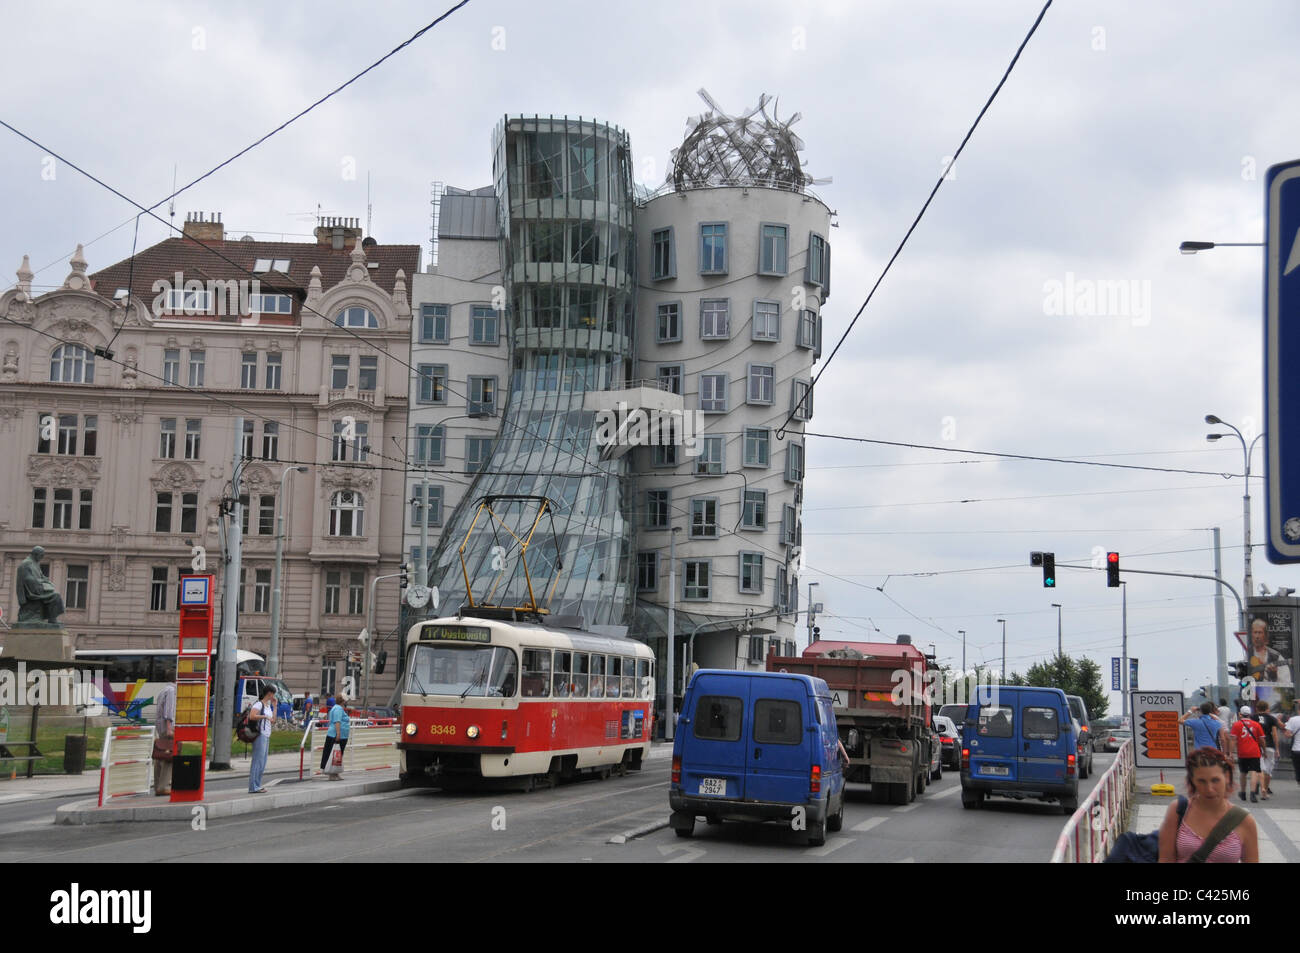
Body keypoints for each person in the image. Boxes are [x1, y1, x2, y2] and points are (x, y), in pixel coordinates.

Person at [1157, 747, 1257, 863]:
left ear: (1227, 778)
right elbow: (1166, 859)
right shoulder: (1178, 810)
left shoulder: (1244, 821)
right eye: (1201, 781)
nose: (1209, 789)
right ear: (1192, 781)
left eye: (1215, 780)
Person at [16, 546, 65, 623]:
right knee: (56, 596)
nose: (42, 557)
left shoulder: (35, 563)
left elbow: (41, 576)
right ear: (35, 554)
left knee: (55, 594)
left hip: (37, 587)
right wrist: (41, 583)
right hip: (31, 592)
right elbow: (27, 579)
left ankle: (52, 618)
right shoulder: (25, 564)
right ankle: (52, 619)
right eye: (41, 555)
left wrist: (47, 581)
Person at [1228, 705, 1265, 803]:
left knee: (1243, 773)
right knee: (1254, 772)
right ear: (1250, 714)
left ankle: (1243, 793)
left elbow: (1233, 740)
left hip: (1242, 752)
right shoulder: (1256, 724)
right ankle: (1252, 793)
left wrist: (1231, 752)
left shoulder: (1236, 725)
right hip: (1255, 752)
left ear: (1240, 714)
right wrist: (1264, 750)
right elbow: (1262, 739)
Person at [247, 685, 276, 793]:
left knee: (262, 761)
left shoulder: (268, 706)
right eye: (273, 693)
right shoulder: (259, 704)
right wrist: (264, 717)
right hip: (260, 734)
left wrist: (275, 706)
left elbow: (273, 720)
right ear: (269, 693)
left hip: (267, 734)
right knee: (257, 761)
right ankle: (253, 786)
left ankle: (257, 785)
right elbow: (252, 716)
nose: (274, 696)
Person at [153, 681, 176, 796]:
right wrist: (169, 728)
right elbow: (169, 711)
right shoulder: (172, 691)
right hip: (168, 728)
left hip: (161, 727)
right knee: (168, 756)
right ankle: (164, 786)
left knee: (160, 756)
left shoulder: (163, 690)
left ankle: (158, 785)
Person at [320, 695, 350, 780]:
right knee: (333, 755)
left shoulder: (337, 708)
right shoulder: (338, 709)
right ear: (342, 701)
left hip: (339, 735)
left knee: (337, 755)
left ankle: (335, 773)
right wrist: (338, 733)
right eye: (345, 700)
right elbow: (337, 722)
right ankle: (332, 774)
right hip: (336, 735)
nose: (346, 702)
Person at [1285, 704, 1300, 784]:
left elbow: (1287, 734)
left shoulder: (1293, 719)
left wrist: (1291, 735)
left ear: (1298, 710)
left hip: (1296, 750)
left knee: (1298, 768)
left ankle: (1299, 780)